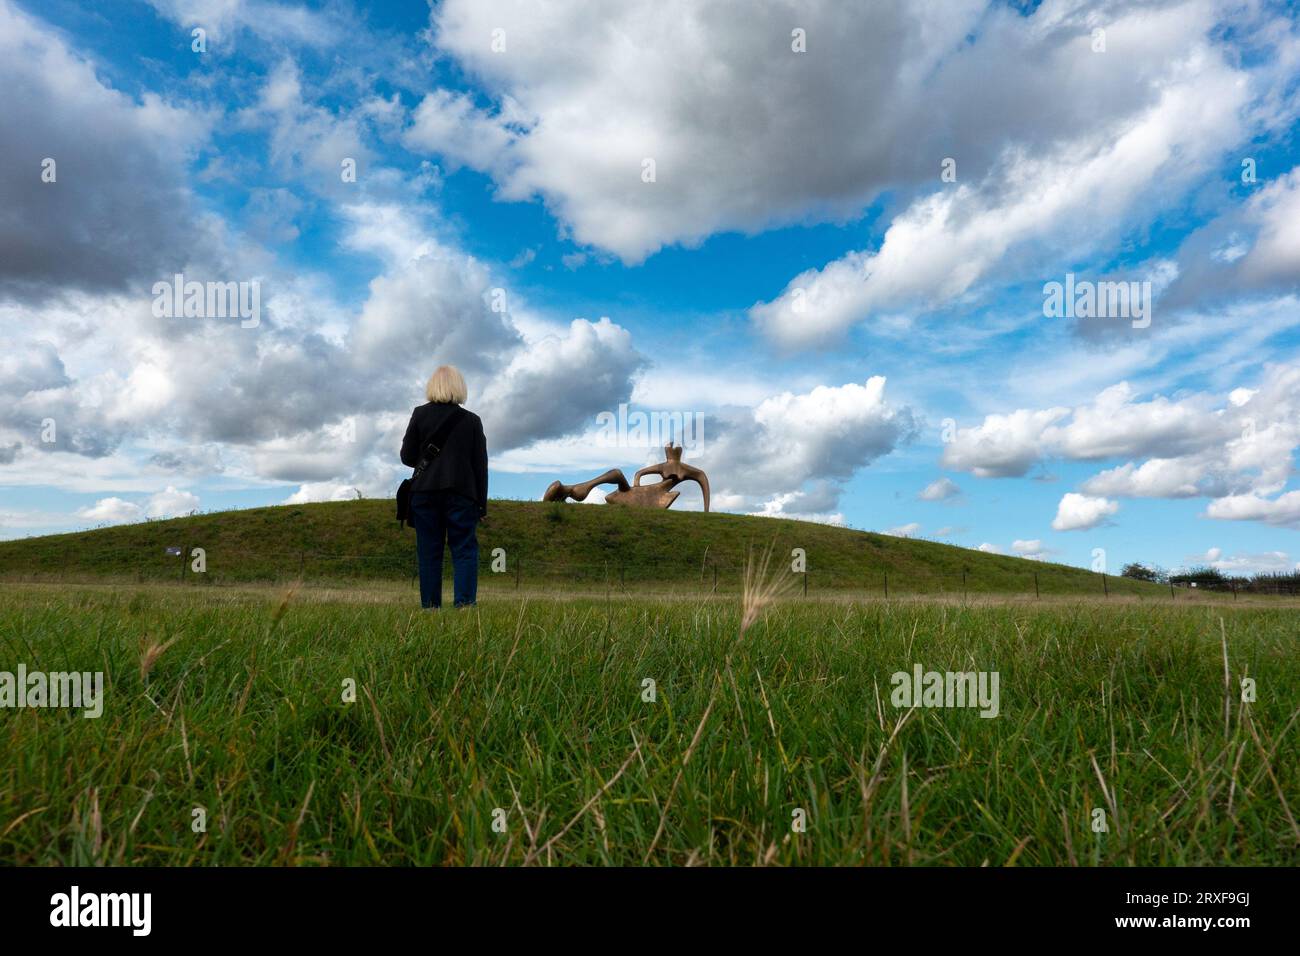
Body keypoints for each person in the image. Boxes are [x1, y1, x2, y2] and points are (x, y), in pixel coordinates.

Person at [400, 365, 488, 608]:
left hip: (425, 493)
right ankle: (465, 606)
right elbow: (480, 466)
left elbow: (407, 457)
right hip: (463, 494)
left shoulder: (419, 414)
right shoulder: (472, 420)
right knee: (464, 550)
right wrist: (481, 506)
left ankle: (430, 608)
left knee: (429, 552)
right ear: (460, 387)